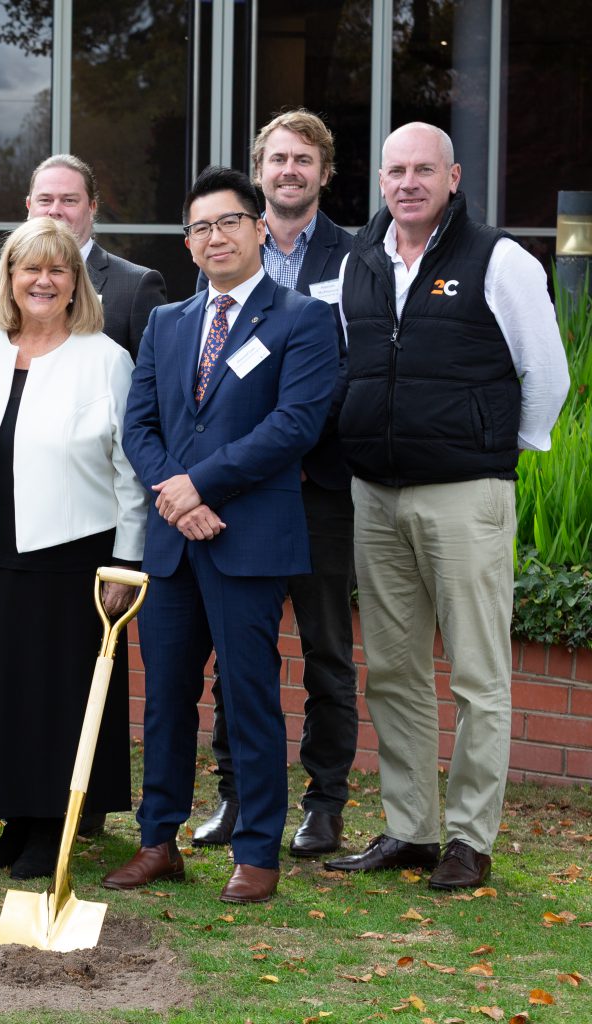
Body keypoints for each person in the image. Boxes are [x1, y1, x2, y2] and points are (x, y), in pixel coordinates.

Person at [325, 123, 569, 890]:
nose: (407, 183)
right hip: (376, 495)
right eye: (395, 170)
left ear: (453, 177)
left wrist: (496, 451)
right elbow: (347, 366)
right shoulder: (357, 261)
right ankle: (411, 830)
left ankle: (469, 837)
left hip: (466, 494)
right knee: (393, 671)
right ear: (380, 179)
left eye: (423, 170)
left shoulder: (499, 259)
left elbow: (547, 374)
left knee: (477, 673)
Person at [108, 166, 339, 904]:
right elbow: (138, 426)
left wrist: (198, 486)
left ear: (259, 228)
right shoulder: (170, 322)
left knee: (248, 698)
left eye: (229, 222)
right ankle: (158, 841)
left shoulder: (301, 319)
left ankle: (256, 850)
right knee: (166, 698)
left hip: (250, 542)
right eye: (201, 227)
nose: (216, 237)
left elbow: (295, 427)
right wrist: (178, 498)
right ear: (188, 240)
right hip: (176, 546)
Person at [0, 217, 146, 879]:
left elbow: (128, 468)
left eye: (58, 270)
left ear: (76, 284)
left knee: (56, 694)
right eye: (31, 269)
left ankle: (54, 828)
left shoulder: (106, 359)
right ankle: (14, 822)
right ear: (9, 279)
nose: (43, 281)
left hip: (71, 555)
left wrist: (128, 559)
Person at [192, 109, 358, 858]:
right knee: (239, 650)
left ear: (325, 172)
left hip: (317, 487)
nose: (289, 171)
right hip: (241, 493)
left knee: (324, 647)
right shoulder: (227, 252)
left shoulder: (360, 259)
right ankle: (235, 795)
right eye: (277, 160)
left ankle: (324, 802)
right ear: (259, 177)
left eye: (304, 159)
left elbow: (355, 372)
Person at [26, 155, 168, 358]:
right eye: (45, 200)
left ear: (92, 207)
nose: (55, 210)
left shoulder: (136, 286)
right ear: (29, 206)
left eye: (69, 200)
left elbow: (153, 379)